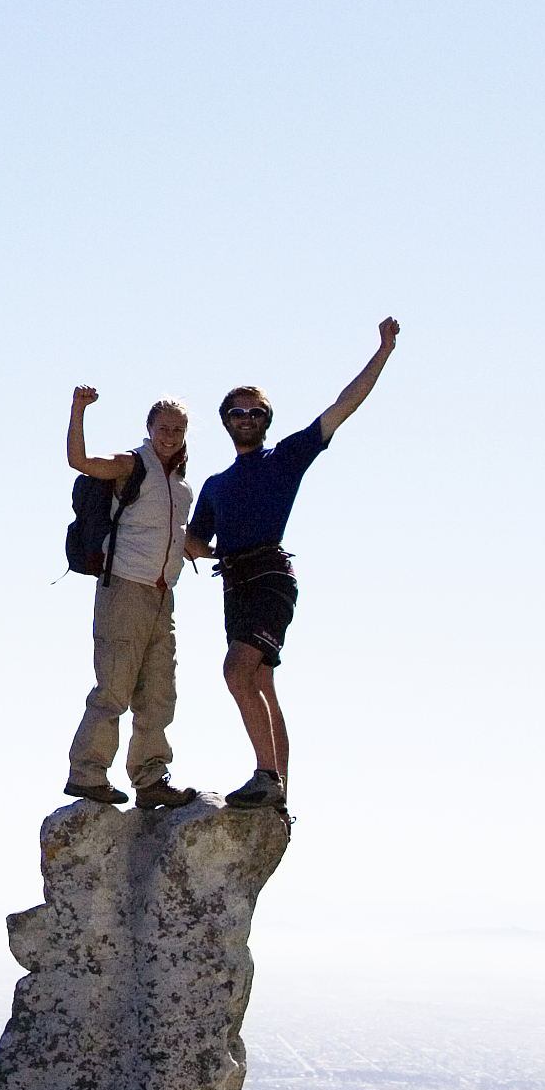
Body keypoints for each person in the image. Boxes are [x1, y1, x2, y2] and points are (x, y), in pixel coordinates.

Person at [184, 318, 401, 811]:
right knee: (260, 681)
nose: (246, 417)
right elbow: (195, 541)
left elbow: (341, 407)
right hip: (234, 582)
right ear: (226, 421)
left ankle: (266, 778)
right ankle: (278, 793)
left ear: (266, 420)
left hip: (270, 577)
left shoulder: (284, 458)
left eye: (255, 411)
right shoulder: (216, 484)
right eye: (237, 411)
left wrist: (383, 352)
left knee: (236, 672)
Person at [62, 388, 198, 812]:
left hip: (162, 597)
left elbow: (181, 539)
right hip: (123, 588)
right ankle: (87, 773)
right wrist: (78, 410)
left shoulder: (180, 483)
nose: (171, 436)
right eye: (164, 429)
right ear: (150, 429)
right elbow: (80, 462)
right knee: (114, 689)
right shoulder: (131, 464)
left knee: (159, 693)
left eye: (178, 429)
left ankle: (151, 777)